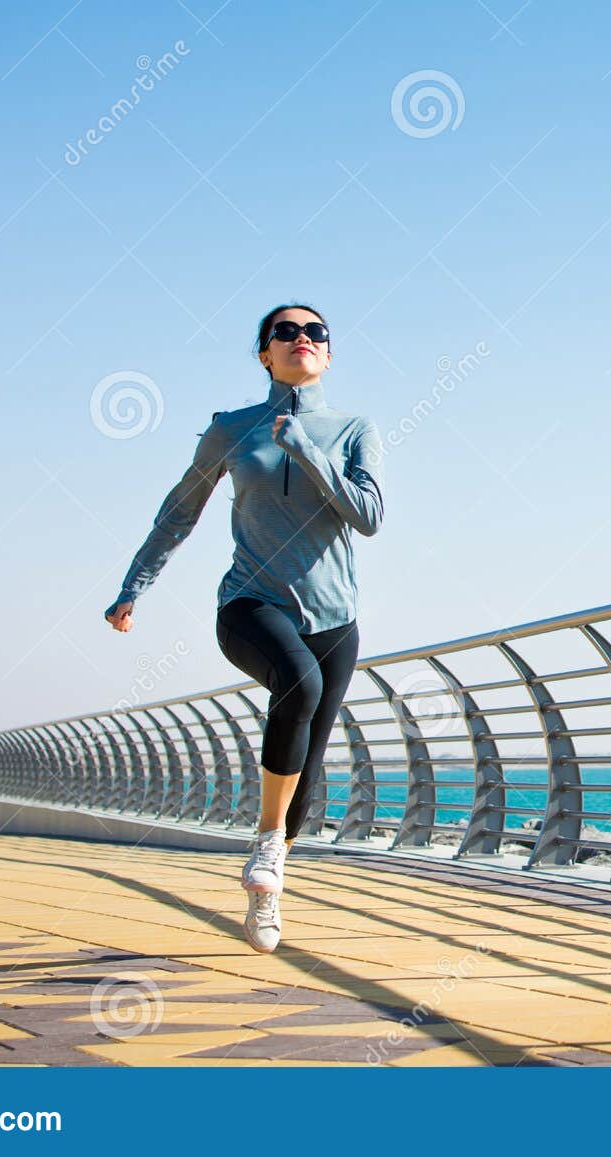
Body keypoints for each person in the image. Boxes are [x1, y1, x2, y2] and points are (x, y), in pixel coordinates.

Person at [103, 303, 385, 953]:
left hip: (335, 618)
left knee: (308, 761)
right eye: (285, 331)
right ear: (264, 353)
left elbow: (368, 515)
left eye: (316, 332)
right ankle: (264, 844)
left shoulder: (352, 429)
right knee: (297, 684)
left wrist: (307, 449)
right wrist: (131, 588)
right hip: (250, 604)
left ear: (329, 354)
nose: (302, 339)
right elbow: (179, 512)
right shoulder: (230, 429)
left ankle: (266, 890)